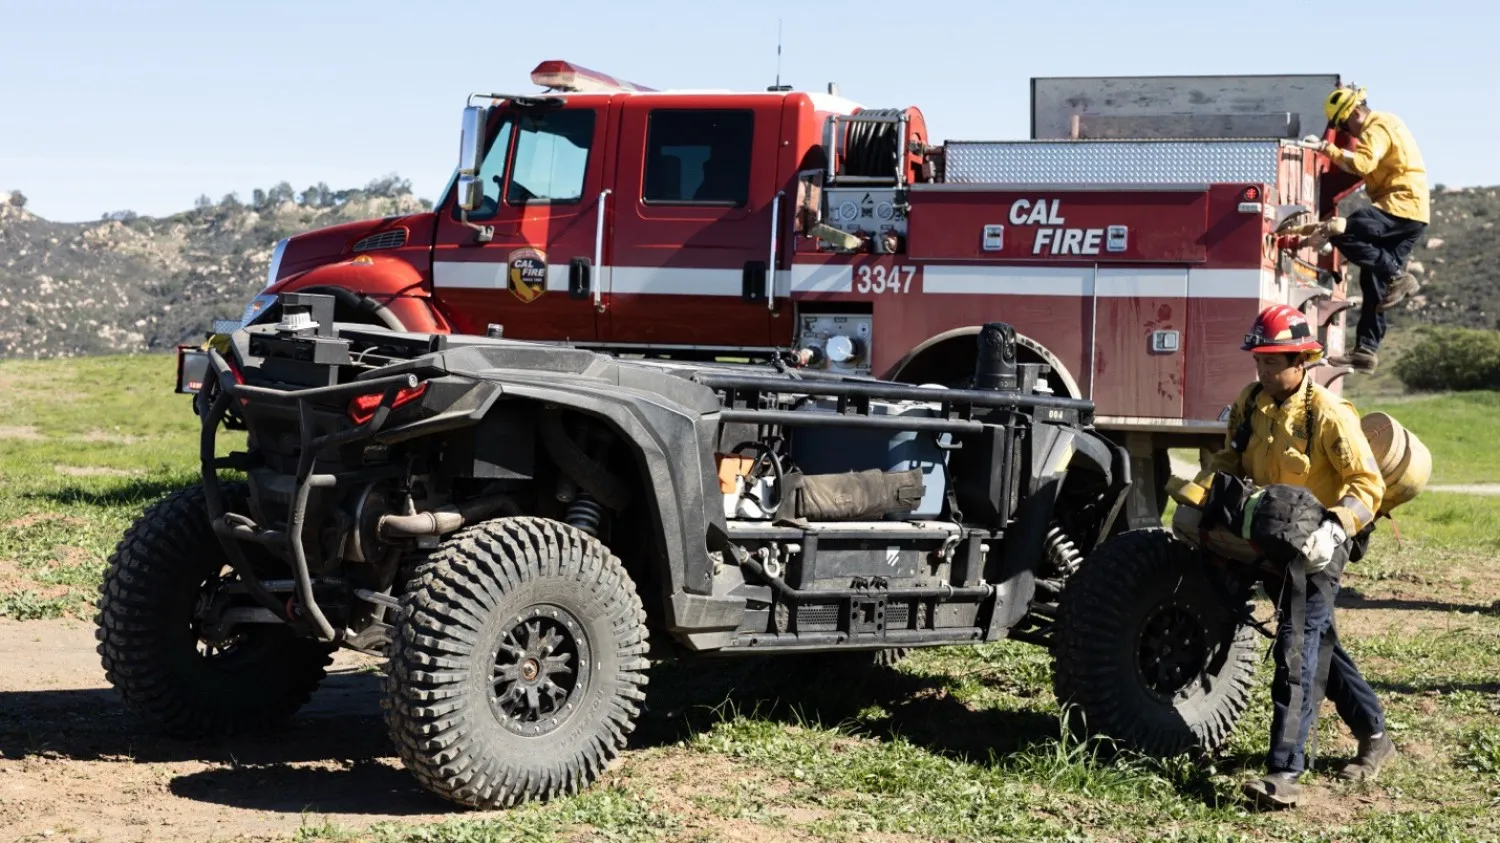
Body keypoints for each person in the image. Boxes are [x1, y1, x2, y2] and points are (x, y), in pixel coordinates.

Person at [1199, 304, 1395, 809]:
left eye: (1273, 361)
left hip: (1320, 546)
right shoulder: (1249, 403)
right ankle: (1375, 734)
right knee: (1317, 640)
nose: (1263, 371)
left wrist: (1335, 528)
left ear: (1302, 359)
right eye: (1259, 361)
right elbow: (1228, 460)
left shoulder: (1328, 413)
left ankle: (1284, 772)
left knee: (1296, 649)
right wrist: (1204, 496)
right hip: (1270, 538)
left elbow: (1366, 484)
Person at [1312, 86, 1430, 374]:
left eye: (1344, 125)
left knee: (1344, 230)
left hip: (1399, 206)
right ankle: (1366, 350)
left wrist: (1327, 149)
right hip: (1413, 212)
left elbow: (1363, 162)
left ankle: (1398, 276)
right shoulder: (1390, 122)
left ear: (1353, 112)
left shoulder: (1376, 127)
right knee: (1374, 282)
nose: (1347, 132)